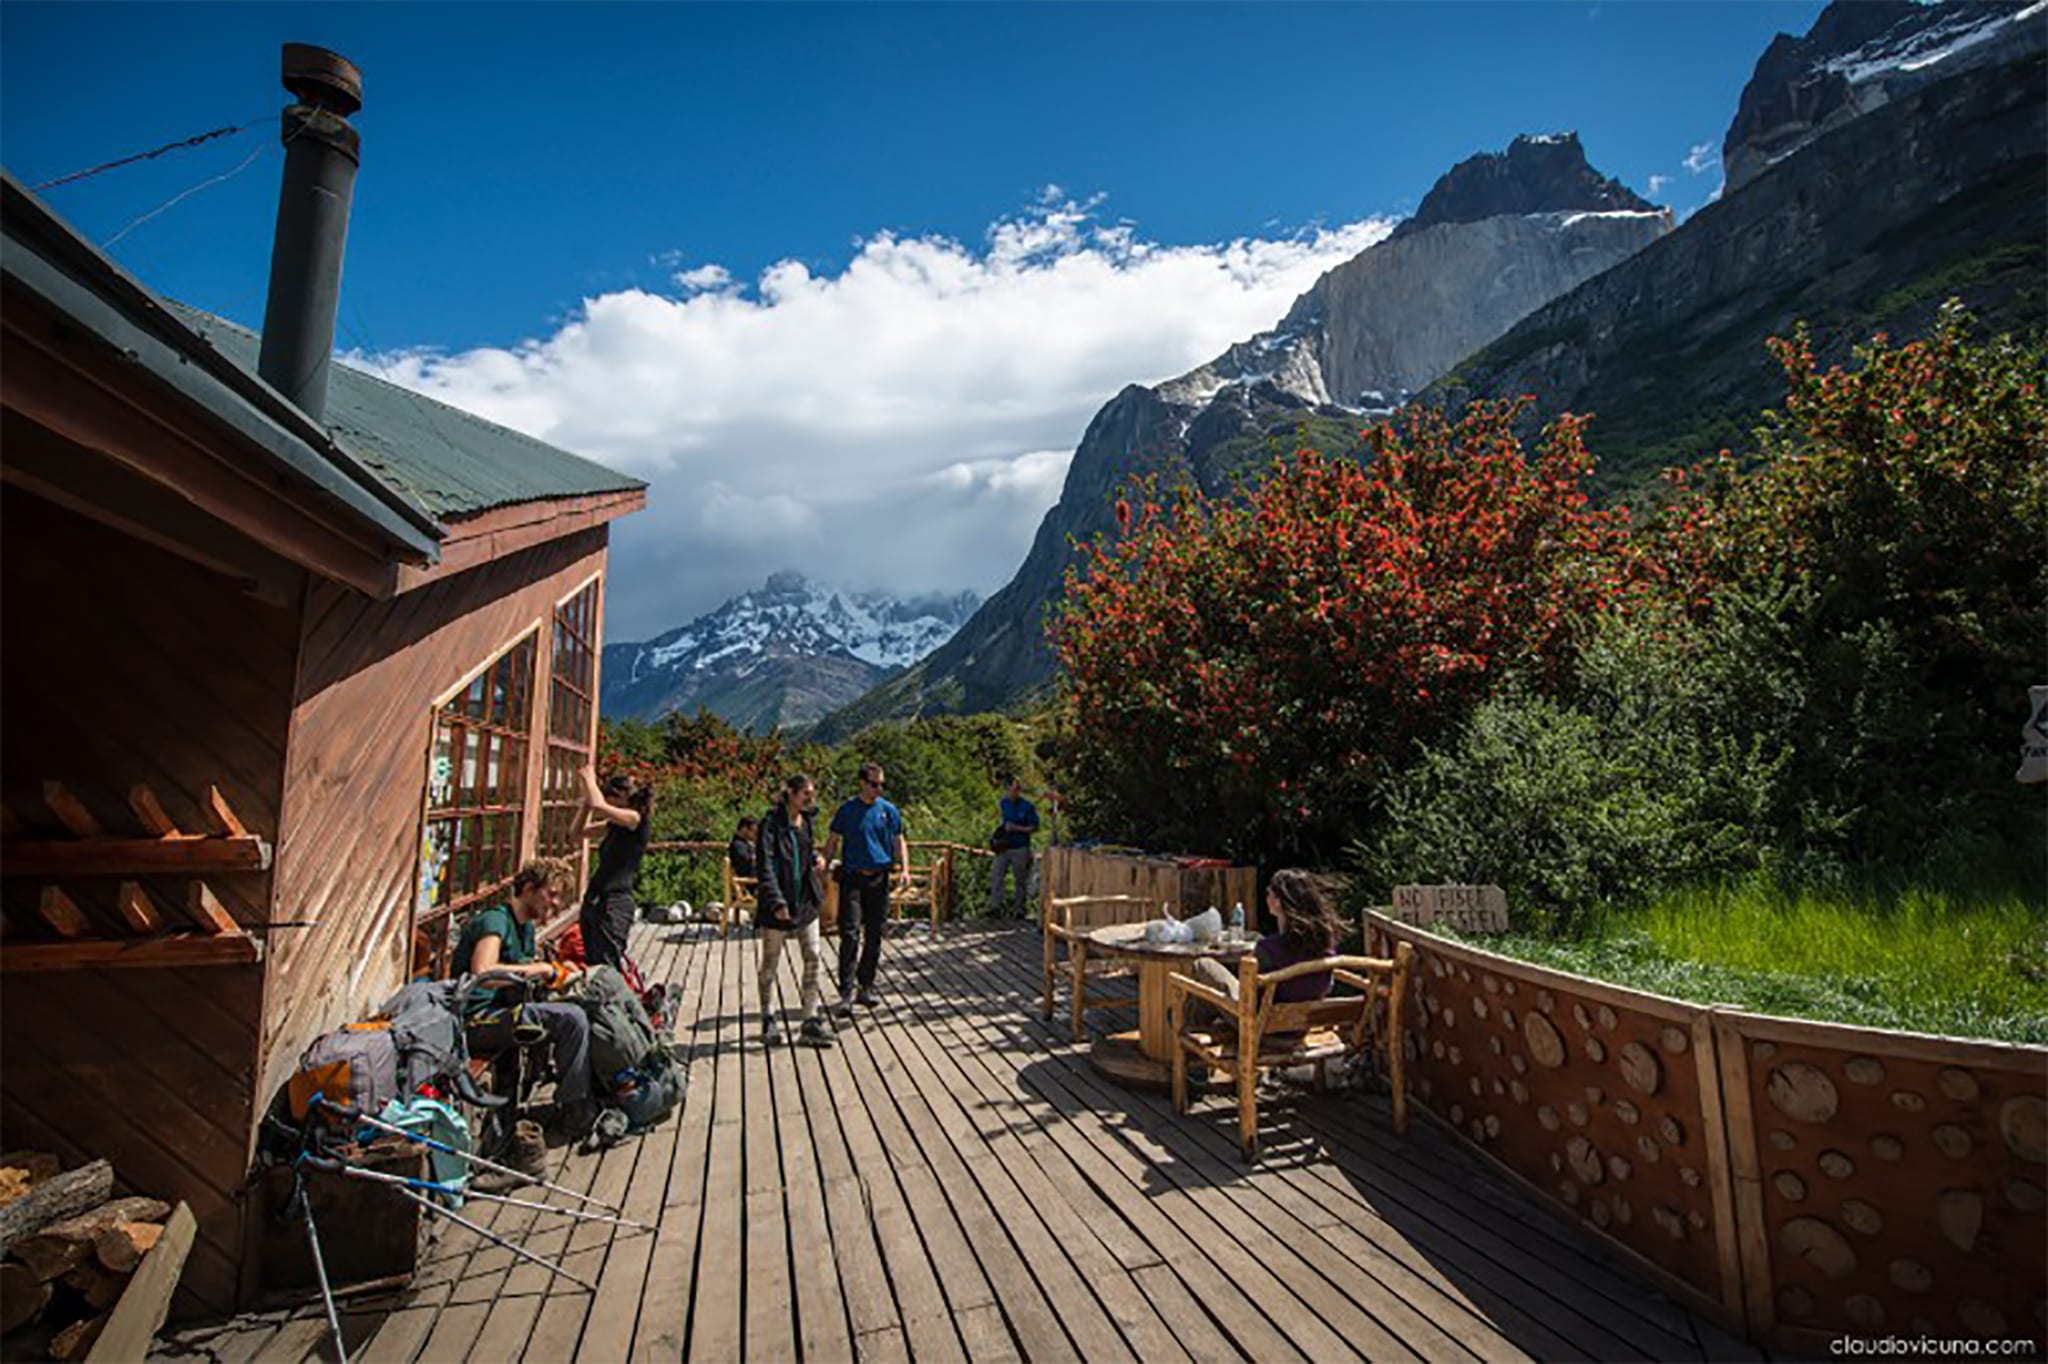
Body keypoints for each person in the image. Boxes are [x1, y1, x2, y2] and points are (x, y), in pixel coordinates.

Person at [451, 858, 595, 1138]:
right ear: (528, 888)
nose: (555, 904)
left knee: (582, 1006)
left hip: (503, 1011)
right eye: (551, 894)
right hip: (474, 1020)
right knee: (572, 1019)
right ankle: (575, 1113)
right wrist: (539, 969)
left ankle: (582, 1093)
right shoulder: (496, 920)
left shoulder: (525, 927)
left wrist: (559, 971)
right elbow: (482, 972)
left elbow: (524, 971)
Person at [1187, 868, 1342, 1040]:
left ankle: (1191, 1032)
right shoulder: (1326, 946)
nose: (1267, 897)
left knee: (1203, 965)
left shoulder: (1268, 949)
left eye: (1269, 893)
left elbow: (1249, 996)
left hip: (1260, 1027)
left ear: (1278, 902)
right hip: (1301, 1026)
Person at [754, 774, 835, 1049]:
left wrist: (815, 858)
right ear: (791, 792)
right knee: (770, 962)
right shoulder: (770, 825)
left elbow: (805, 851)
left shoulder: (806, 821)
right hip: (777, 905)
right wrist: (776, 901)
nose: (811, 798)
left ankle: (810, 1021)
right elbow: (764, 865)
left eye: (812, 793)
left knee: (813, 956)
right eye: (806, 794)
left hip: (805, 903)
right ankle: (767, 1018)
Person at [823, 761, 907, 1011]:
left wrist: (905, 868)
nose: (878, 789)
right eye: (873, 784)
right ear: (862, 783)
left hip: (879, 878)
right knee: (850, 934)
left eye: (881, 785)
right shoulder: (847, 810)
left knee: (874, 934)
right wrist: (823, 866)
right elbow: (833, 840)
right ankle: (846, 991)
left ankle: (866, 986)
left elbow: (899, 840)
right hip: (853, 878)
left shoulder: (889, 810)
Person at [579, 766, 651, 974]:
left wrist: (589, 781)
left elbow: (599, 806)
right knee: (592, 962)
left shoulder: (635, 820)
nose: (608, 801)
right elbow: (577, 832)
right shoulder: (614, 825)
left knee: (607, 964)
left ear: (623, 797)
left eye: (611, 797)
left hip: (615, 901)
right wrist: (586, 806)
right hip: (595, 897)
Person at [987, 776, 1040, 918]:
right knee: (997, 876)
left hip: (1020, 847)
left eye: (1016, 790)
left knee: (1020, 879)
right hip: (1004, 846)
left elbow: (1034, 828)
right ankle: (995, 907)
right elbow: (1001, 820)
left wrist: (1016, 828)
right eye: (1011, 789)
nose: (1013, 792)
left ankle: (1019, 910)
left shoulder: (1027, 807)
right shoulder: (1003, 803)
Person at [728, 815, 759, 882]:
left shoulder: (747, 844)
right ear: (744, 829)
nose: (756, 835)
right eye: (754, 831)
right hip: (749, 880)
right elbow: (747, 861)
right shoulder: (737, 845)